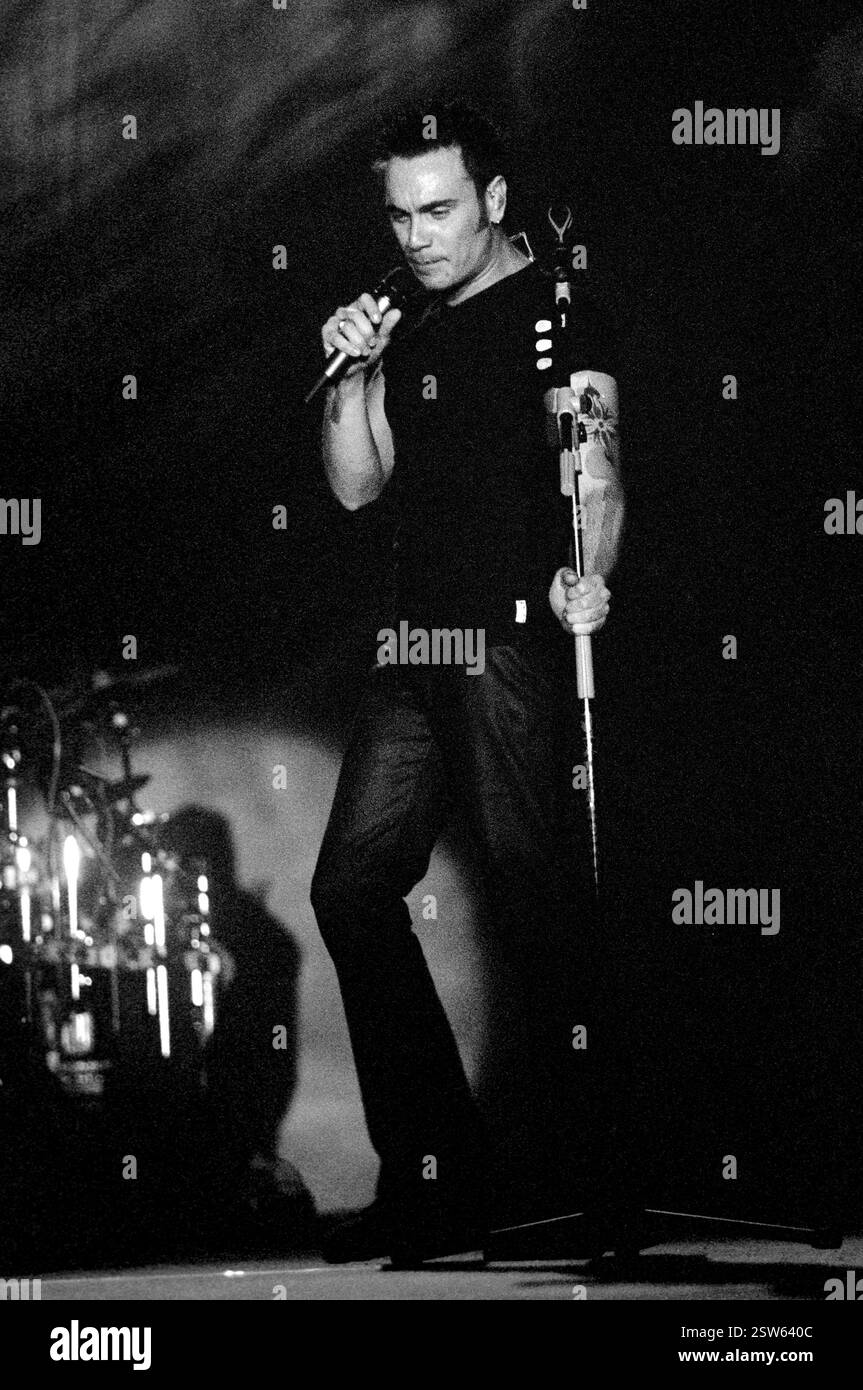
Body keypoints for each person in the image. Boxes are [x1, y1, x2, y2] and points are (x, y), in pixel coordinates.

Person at [310, 100, 624, 1265]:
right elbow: (353, 486)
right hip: (414, 653)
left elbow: (591, 464)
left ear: (491, 200)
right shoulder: (405, 323)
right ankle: (436, 1175)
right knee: (349, 886)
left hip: (506, 640)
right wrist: (350, 376)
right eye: (399, 215)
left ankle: (597, 1178)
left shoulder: (554, 310)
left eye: (438, 209)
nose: (417, 235)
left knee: (536, 890)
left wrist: (590, 575)